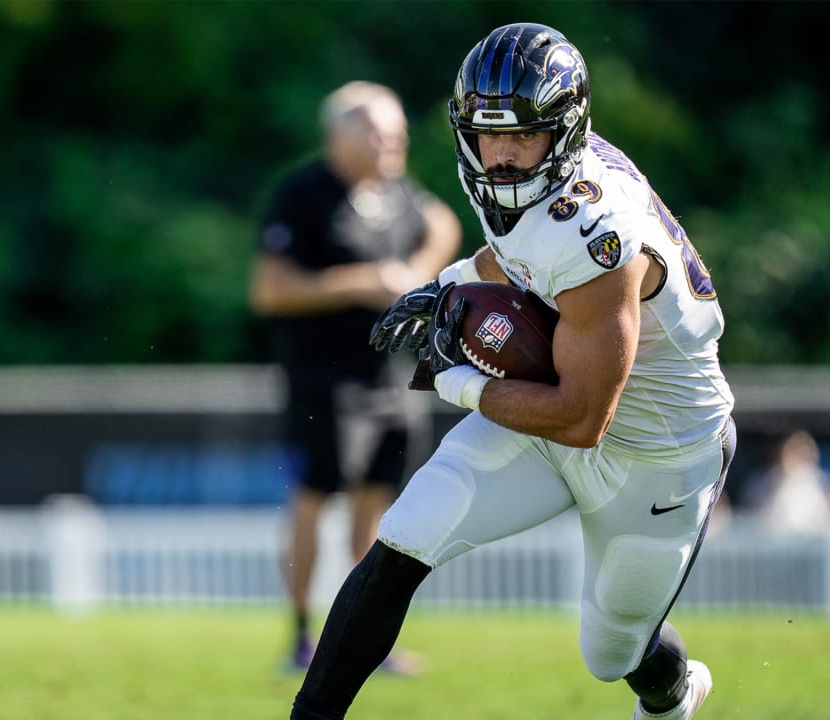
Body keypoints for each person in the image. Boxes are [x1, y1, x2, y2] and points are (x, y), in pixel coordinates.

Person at [291, 23, 736, 720]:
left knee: (613, 653)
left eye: (520, 137)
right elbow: (521, 248)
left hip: (655, 448)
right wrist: (450, 282)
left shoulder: (597, 228)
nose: (498, 156)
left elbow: (584, 418)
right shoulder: (518, 175)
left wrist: (454, 380)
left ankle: (676, 697)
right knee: (404, 539)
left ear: (563, 130)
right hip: (556, 406)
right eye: (485, 134)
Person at [248, 81, 462, 673]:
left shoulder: (398, 192)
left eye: (398, 132)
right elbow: (268, 290)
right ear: (339, 134)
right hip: (325, 382)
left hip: (391, 381)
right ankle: (300, 636)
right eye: (378, 131)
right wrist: (360, 281)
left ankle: (368, 640)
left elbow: (444, 224)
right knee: (313, 502)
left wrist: (414, 274)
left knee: (378, 514)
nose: (393, 142)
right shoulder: (304, 194)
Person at [748, 430, 830, 535]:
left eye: (805, 451)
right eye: (795, 451)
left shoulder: (823, 482)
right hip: (774, 543)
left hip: (811, 544)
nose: (800, 457)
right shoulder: (762, 482)